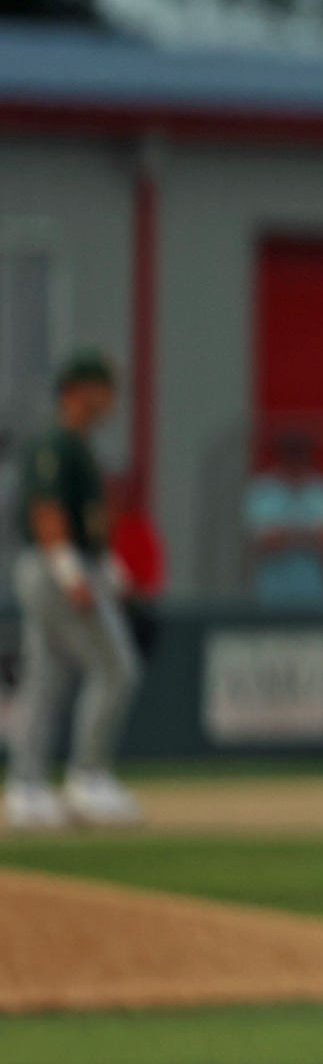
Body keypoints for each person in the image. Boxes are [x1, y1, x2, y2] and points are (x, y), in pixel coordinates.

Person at [6, 350, 146, 830]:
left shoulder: (79, 445)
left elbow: (91, 524)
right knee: (115, 668)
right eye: (104, 388)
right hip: (53, 567)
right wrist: (72, 574)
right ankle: (88, 778)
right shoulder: (56, 442)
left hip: (64, 565)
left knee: (46, 678)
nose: (111, 399)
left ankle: (27, 788)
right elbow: (47, 511)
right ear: (80, 389)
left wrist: (110, 570)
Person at [242, 430, 323, 608]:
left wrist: (287, 534)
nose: (294, 463)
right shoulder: (263, 491)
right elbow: (265, 542)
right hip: (271, 591)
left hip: (314, 590)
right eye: (289, 456)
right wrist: (310, 536)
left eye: (298, 456)